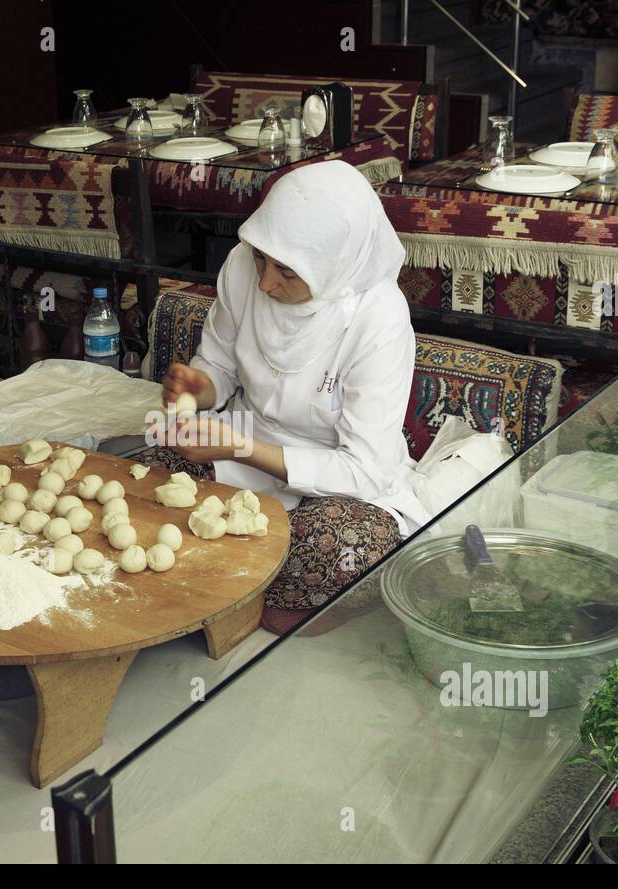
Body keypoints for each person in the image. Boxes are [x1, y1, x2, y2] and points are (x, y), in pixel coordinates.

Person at [137, 160, 430, 611]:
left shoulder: (380, 320)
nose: (265, 282)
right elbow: (218, 364)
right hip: (240, 446)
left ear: (334, 265)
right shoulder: (241, 265)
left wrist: (237, 448)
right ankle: (234, 585)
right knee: (145, 476)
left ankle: (208, 577)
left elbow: (365, 470)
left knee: (347, 549)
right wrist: (200, 386)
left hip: (337, 482)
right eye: (261, 258)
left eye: (288, 273)